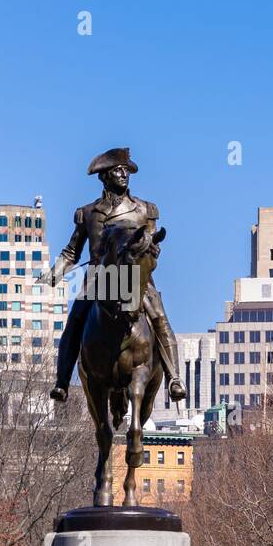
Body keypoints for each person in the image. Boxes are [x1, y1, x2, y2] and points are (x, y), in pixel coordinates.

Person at [47, 147, 187, 404]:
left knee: (159, 318)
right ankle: (62, 382)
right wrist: (53, 275)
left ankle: (174, 378)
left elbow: (153, 249)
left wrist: (150, 255)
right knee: (75, 321)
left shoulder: (145, 210)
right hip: (99, 279)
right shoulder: (88, 213)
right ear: (104, 177)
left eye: (127, 171)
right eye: (118, 170)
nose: (124, 175)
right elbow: (72, 251)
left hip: (134, 278)